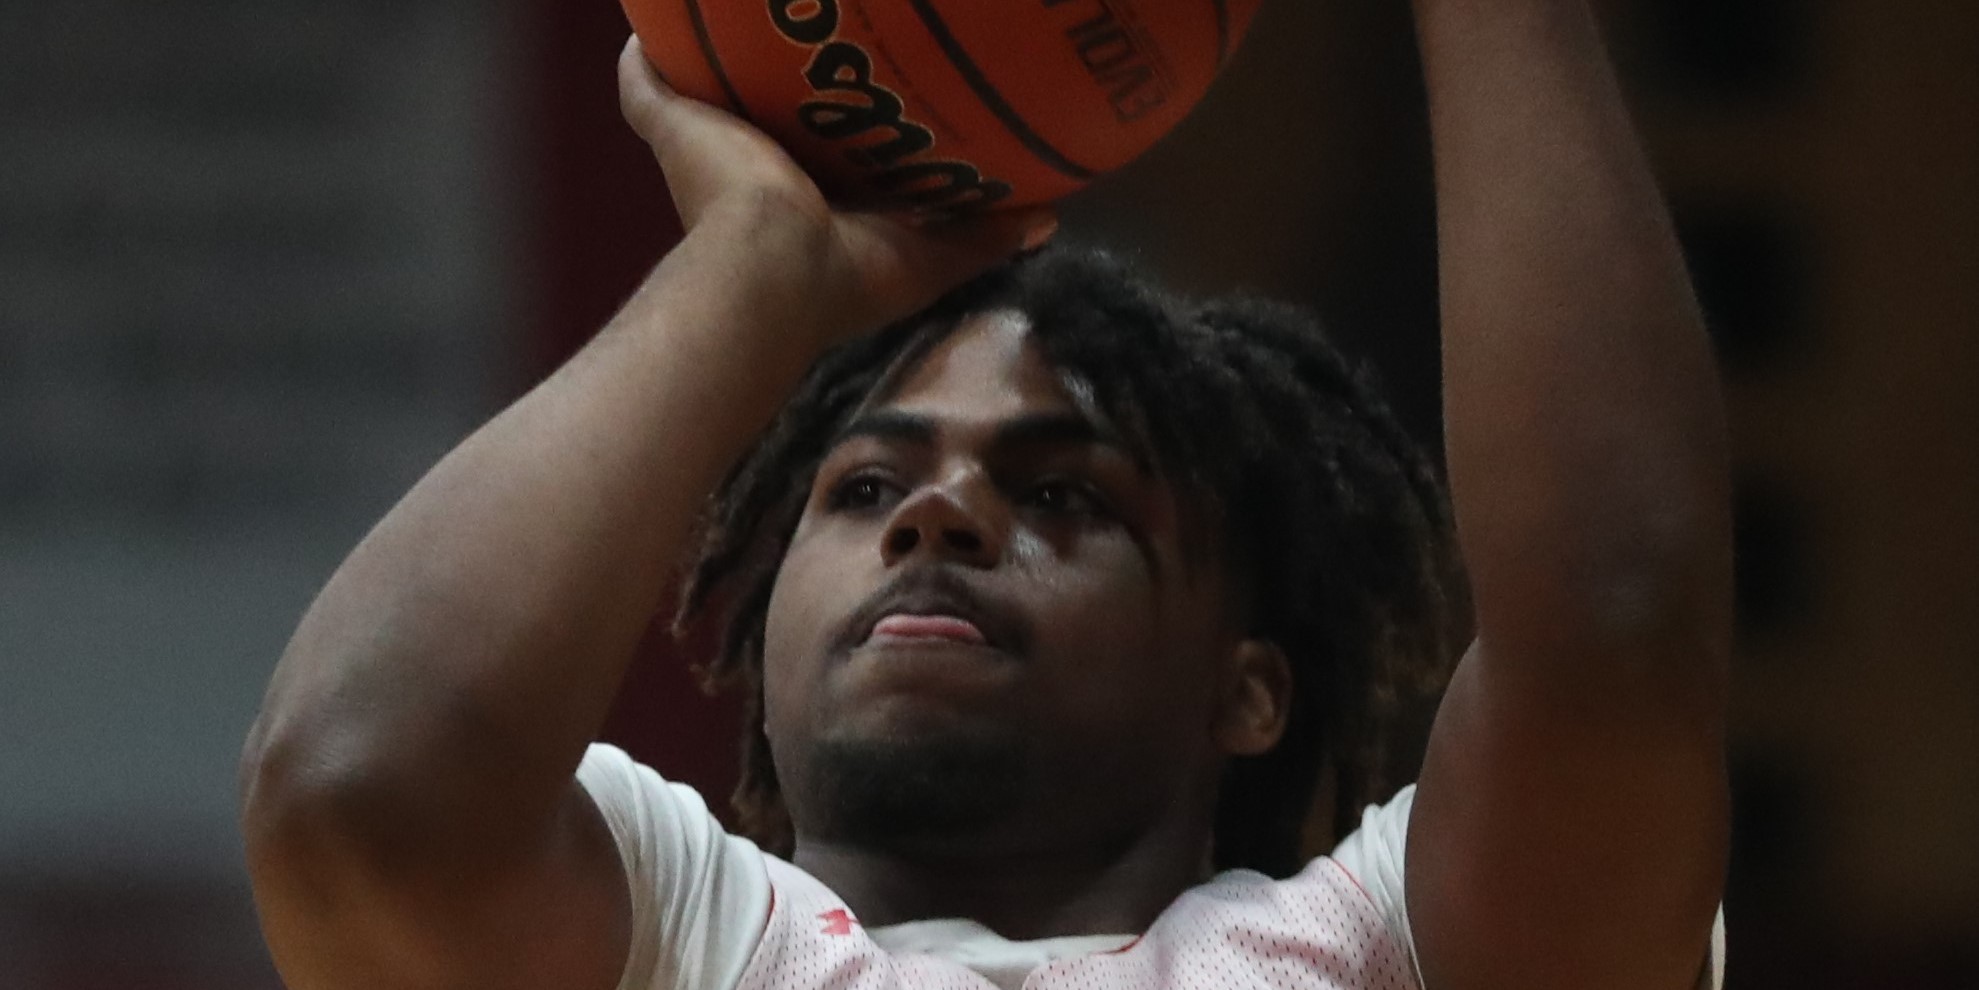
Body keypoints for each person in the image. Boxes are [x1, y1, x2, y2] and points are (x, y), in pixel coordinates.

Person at [239, 1, 1733, 989]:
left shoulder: (1378, 945)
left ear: (1248, 687)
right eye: (867, 481)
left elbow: (1614, 638)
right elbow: (354, 787)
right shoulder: (678, 932)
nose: (934, 514)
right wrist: (752, 269)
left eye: (1065, 494)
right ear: (757, 652)